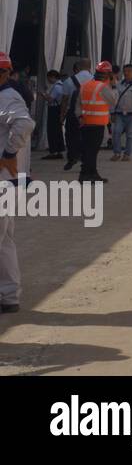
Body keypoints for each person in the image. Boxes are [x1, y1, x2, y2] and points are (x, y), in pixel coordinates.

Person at [0, 52, 36, 314]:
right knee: (4, 241)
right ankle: (9, 295)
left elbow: (24, 124)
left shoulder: (7, 97)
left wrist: (9, 154)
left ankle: (9, 294)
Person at [78, 60, 115, 184]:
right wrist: (112, 84)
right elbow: (113, 100)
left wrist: (80, 117)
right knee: (92, 151)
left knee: (87, 150)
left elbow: (77, 106)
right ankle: (88, 175)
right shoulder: (103, 87)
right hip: (97, 124)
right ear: (108, 74)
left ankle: (89, 174)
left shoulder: (85, 85)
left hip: (85, 123)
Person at [60, 61, 90, 173]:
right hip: (89, 113)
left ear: (77, 68)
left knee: (71, 136)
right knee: (87, 137)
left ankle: (72, 157)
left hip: (73, 113)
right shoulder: (94, 80)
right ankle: (85, 160)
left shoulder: (69, 81)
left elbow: (64, 100)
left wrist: (62, 115)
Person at [110, 63, 132, 162]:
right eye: (125, 71)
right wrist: (112, 113)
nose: (126, 73)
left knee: (130, 134)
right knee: (116, 133)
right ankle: (117, 153)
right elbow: (114, 99)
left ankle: (127, 154)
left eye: (129, 71)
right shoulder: (118, 84)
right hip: (119, 114)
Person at [37, 70, 65, 160]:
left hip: (53, 109)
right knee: (58, 131)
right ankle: (59, 150)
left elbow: (50, 99)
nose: (48, 80)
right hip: (59, 108)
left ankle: (53, 151)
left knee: (52, 131)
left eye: (49, 78)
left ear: (53, 77)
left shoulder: (56, 87)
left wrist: (43, 94)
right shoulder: (62, 85)